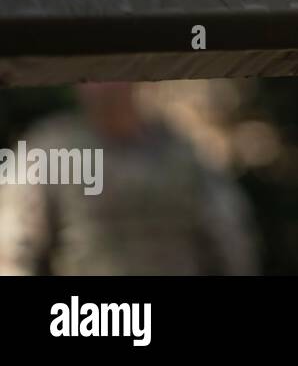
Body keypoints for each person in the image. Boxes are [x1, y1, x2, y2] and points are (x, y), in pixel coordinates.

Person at [0, 81, 258, 275]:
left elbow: (230, 240)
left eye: (108, 69)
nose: (100, 85)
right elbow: (12, 250)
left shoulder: (180, 151)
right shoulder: (49, 149)